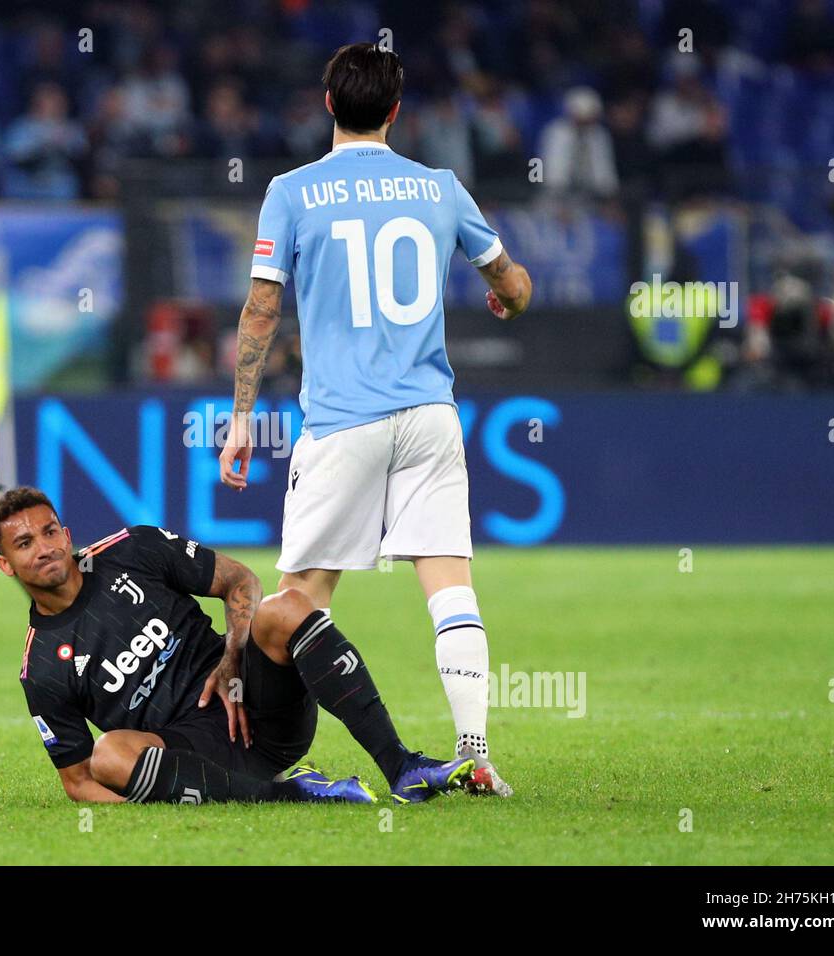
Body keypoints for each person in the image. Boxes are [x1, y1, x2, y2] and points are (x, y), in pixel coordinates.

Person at [219, 43, 533, 796]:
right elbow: (513, 284)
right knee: (450, 585)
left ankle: (263, 753)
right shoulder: (440, 188)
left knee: (298, 600)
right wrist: (508, 298)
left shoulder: (291, 191)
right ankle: (476, 752)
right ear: (396, 112)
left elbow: (263, 306)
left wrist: (239, 418)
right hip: (428, 415)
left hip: (340, 423)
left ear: (328, 103)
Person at [0, 486, 476, 805]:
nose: (45, 547)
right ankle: (292, 793)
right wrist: (155, 793)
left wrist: (233, 660)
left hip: (259, 707)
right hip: (194, 759)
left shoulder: (132, 550)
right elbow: (78, 784)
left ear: (66, 532)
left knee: (286, 606)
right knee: (109, 756)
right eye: (25, 543)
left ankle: (401, 767)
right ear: (6, 566)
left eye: (50, 531)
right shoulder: (41, 672)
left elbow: (240, 581)